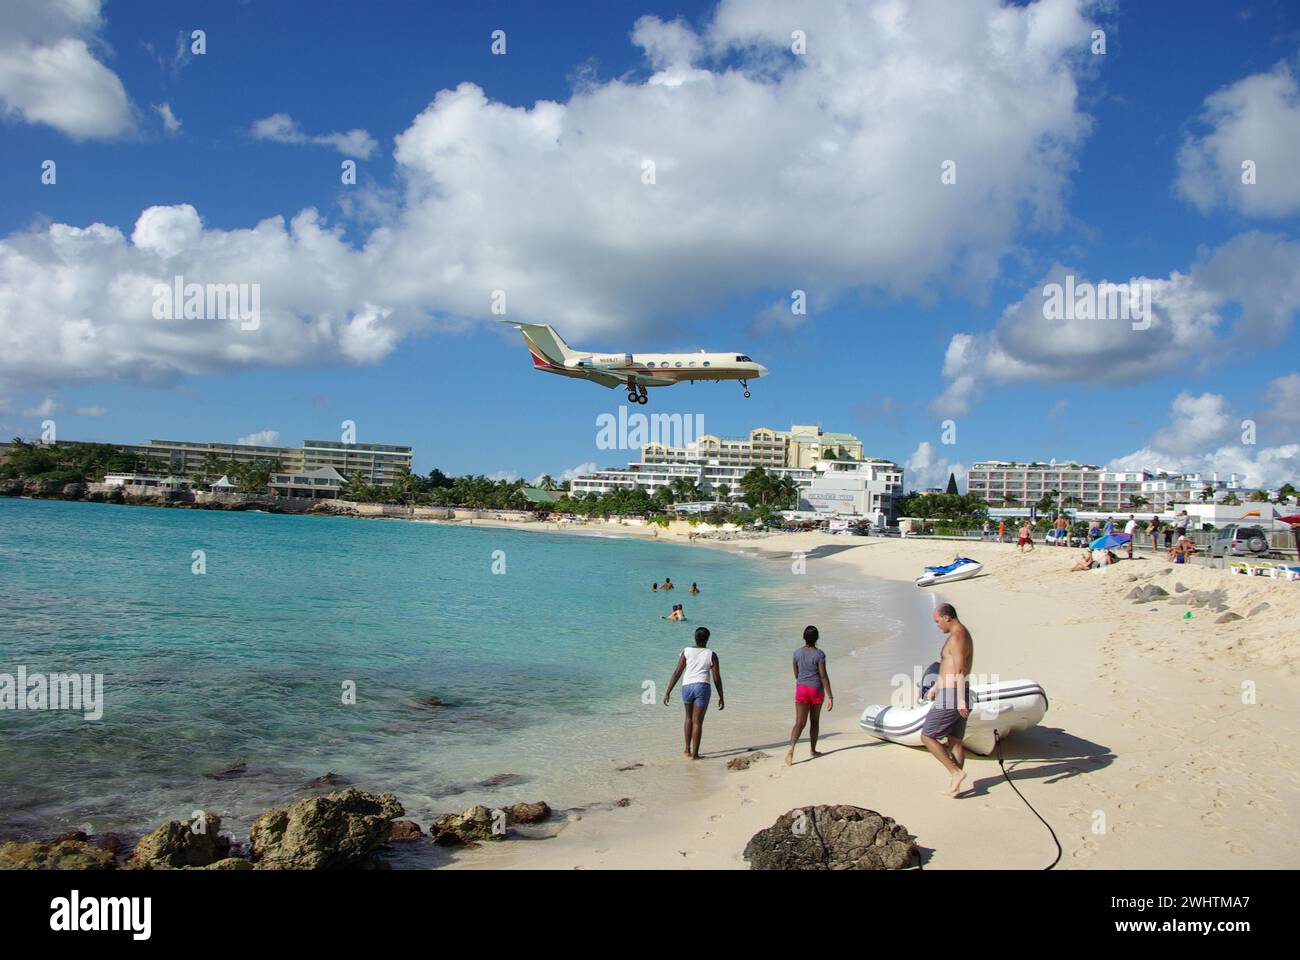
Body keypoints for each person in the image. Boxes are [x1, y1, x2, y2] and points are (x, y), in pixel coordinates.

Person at [921, 603, 973, 797]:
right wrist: (935, 687)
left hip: (953, 694)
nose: (937, 625)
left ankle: (955, 772)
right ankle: (955, 785)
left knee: (927, 736)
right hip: (955, 691)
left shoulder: (958, 637)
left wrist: (960, 700)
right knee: (955, 741)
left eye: (937, 621)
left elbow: (960, 669)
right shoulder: (960, 634)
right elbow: (948, 665)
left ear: (947, 617)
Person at [663, 626, 724, 759]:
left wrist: (668, 691)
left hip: (687, 686)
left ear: (695, 638)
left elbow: (677, 673)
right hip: (702, 686)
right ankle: (695, 755)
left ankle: (687, 750)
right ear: (708, 639)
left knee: (688, 718)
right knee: (698, 722)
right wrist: (721, 696)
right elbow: (716, 678)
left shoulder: (686, 651)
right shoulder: (711, 654)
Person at [785, 625, 833, 765]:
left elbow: (796, 674)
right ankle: (813, 750)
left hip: (802, 689)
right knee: (814, 721)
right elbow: (823, 676)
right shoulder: (820, 654)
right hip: (816, 690)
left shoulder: (796, 653)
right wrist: (830, 696)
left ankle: (791, 747)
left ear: (804, 638)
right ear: (817, 638)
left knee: (799, 722)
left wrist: (803, 681)